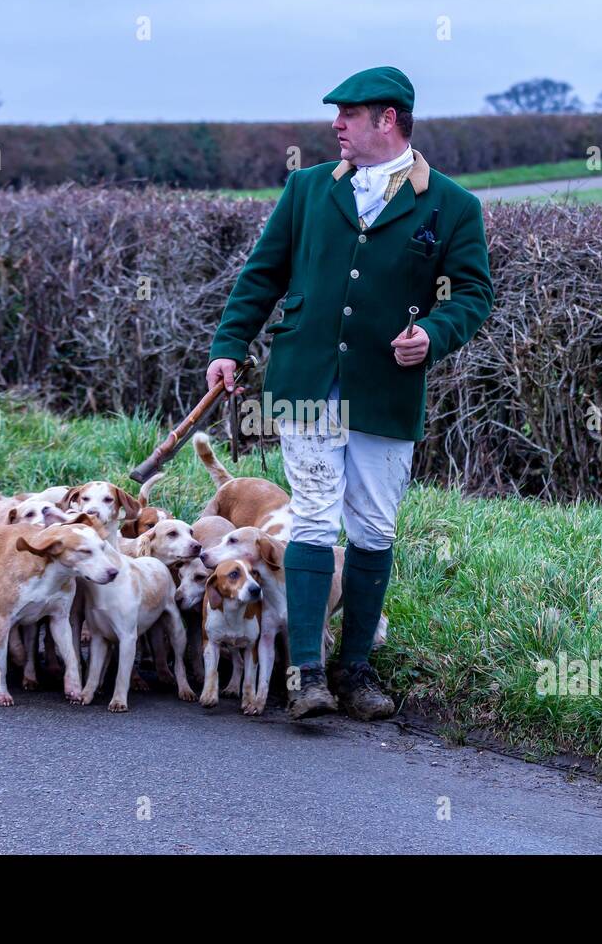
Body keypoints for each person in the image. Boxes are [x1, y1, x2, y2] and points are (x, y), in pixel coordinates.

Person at [206, 65, 493, 720]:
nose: (336, 124)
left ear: (385, 119)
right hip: (304, 378)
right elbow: (263, 274)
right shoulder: (307, 188)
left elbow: (475, 294)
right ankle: (305, 673)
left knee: (371, 526)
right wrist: (228, 346)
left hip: (385, 389)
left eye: (348, 114)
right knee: (311, 515)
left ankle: (356, 669)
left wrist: (435, 334)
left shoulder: (451, 205)